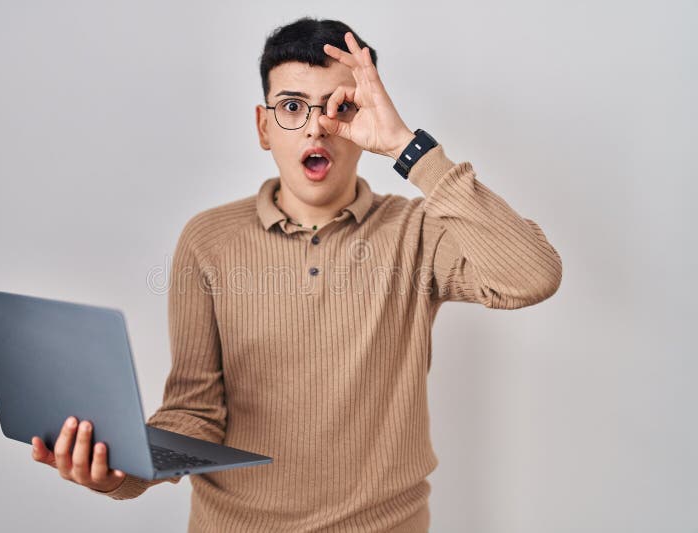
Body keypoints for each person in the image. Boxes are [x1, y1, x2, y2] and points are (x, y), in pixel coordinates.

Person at [31, 16, 562, 532]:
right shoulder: (208, 239)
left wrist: (407, 147)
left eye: (341, 106)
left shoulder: (416, 231)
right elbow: (194, 412)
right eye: (291, 106)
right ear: (264, 127)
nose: (315, 126)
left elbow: (532, 276)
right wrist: (120, 470)